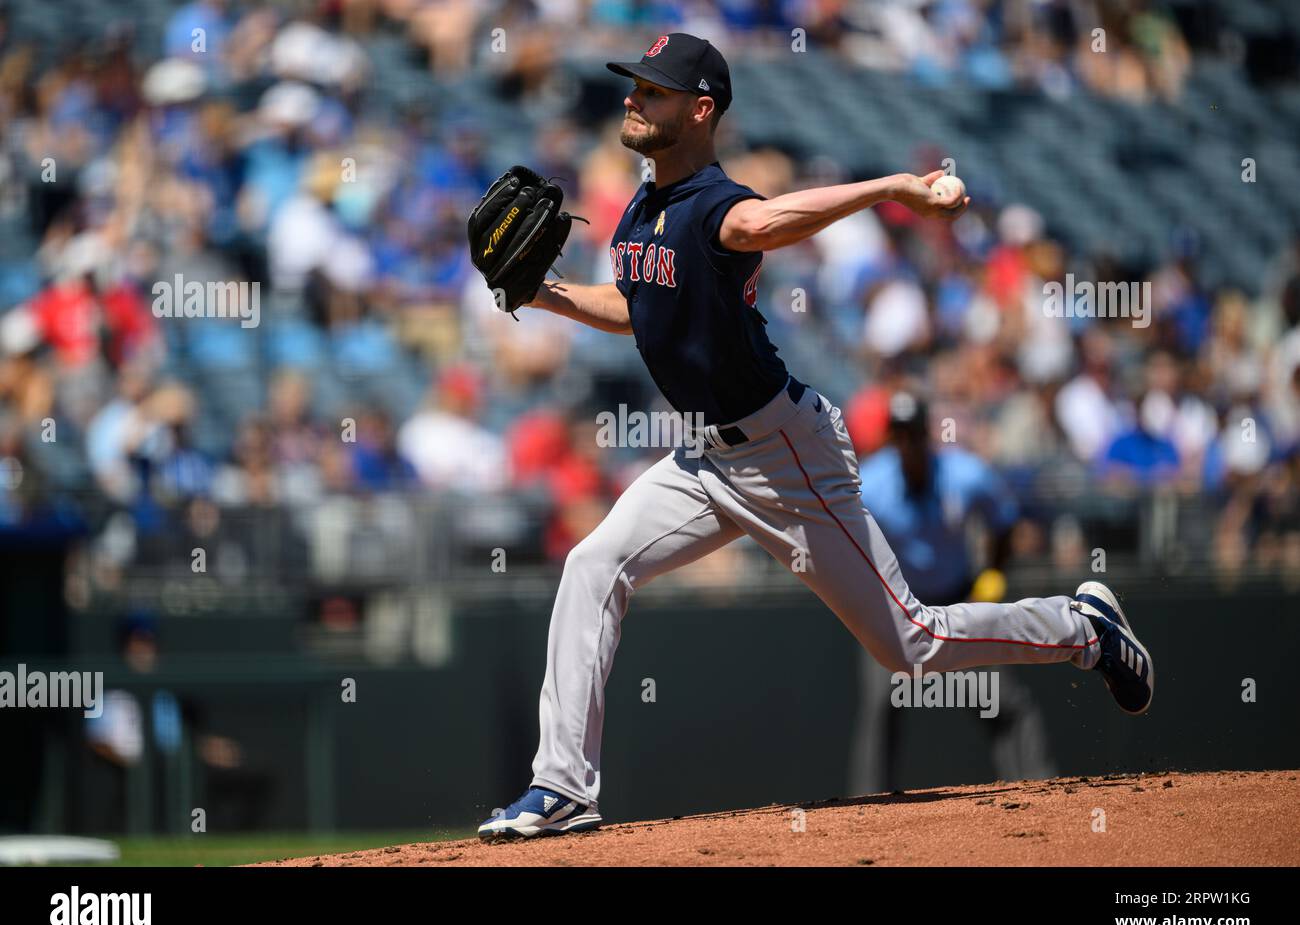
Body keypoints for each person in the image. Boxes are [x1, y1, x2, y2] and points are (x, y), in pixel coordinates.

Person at [478, 33, 1154, 840]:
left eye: (652, 91)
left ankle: (1085, 630)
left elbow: (770, 220)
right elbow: (636, 310)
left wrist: (895, 188)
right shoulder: (644, 205)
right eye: (633, 86)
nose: (632, 98)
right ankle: (561, 789)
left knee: (913, 644)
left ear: (700, 111)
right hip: (701, 460)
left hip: (783, 455)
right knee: (593, 565)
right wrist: (549, 296)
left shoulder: (714, 205)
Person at [848, 391, 1055, 794]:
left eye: (914, 435)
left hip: (958, 601)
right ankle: (868, 806)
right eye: (900, 436)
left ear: (927, 435)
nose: (907, 445)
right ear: (891, 439)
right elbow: (845, 541)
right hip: (898, 608)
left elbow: (1005, 520)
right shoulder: (871, 484)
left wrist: (992, 576)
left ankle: (1035, 790)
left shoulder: (964, 474)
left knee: (1003, 701)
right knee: (880, 709)